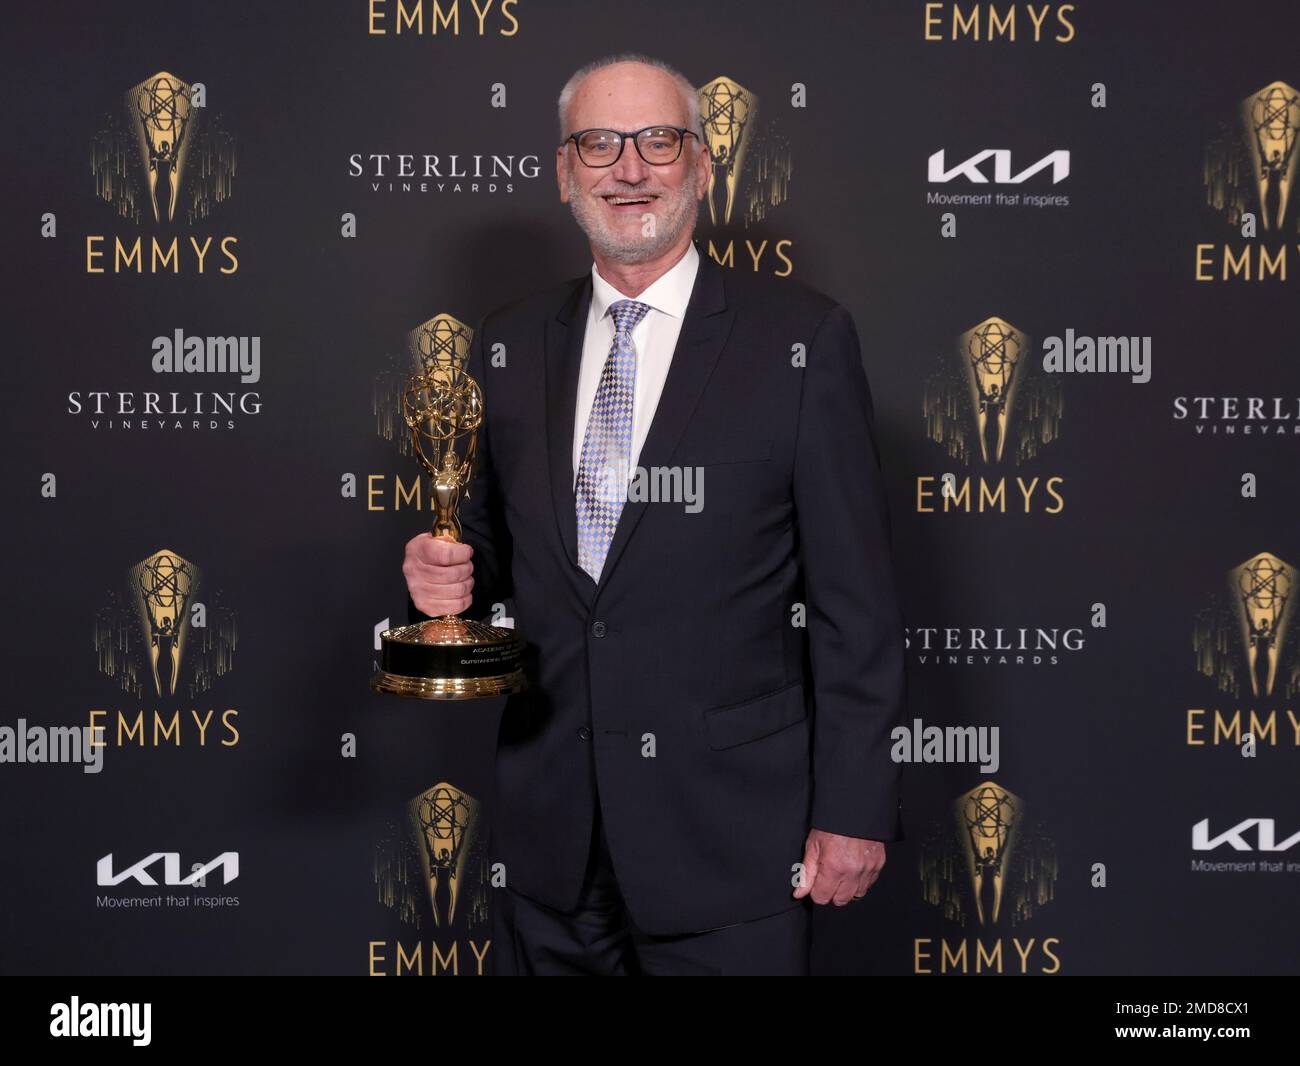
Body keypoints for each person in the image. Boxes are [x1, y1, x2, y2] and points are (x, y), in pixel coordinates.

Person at [402, 53, 905, 975]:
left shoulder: (800, 340)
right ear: (564, 173)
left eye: (658, 142)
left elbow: (855, 604)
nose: (629, 169)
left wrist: (853, 808)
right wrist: (440, 575)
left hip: (735, 844)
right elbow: (489, 552)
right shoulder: (509, 344)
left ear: (703, 165)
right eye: (599, 144)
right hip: (553, 840)